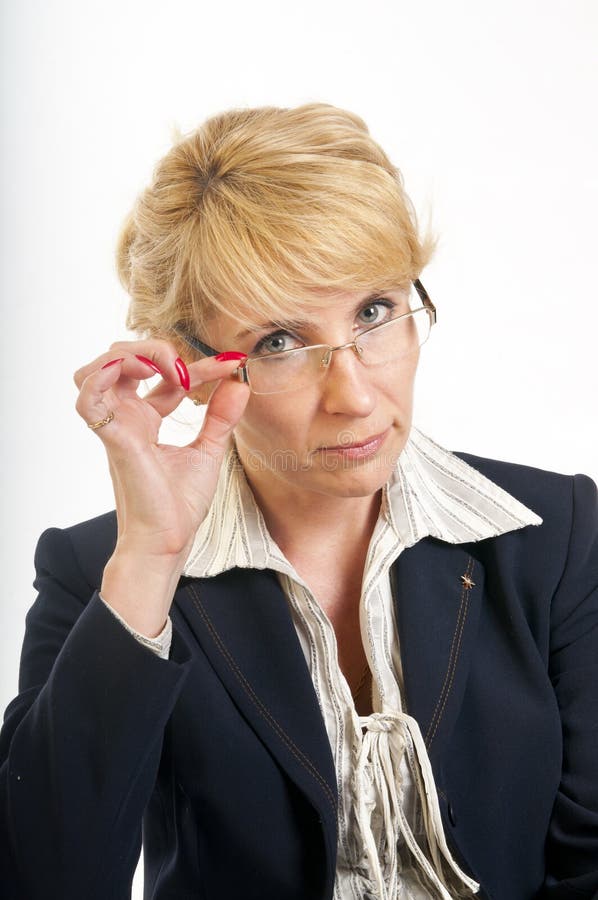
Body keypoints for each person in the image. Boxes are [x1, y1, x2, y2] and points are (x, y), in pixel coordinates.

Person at [1, 103, 596, 900]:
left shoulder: (555, 538)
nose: (352, 395)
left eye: (375, 312)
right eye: (280, 341)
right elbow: (46, 879)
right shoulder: (101, 574)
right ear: (190, 366)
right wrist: (151, 556)